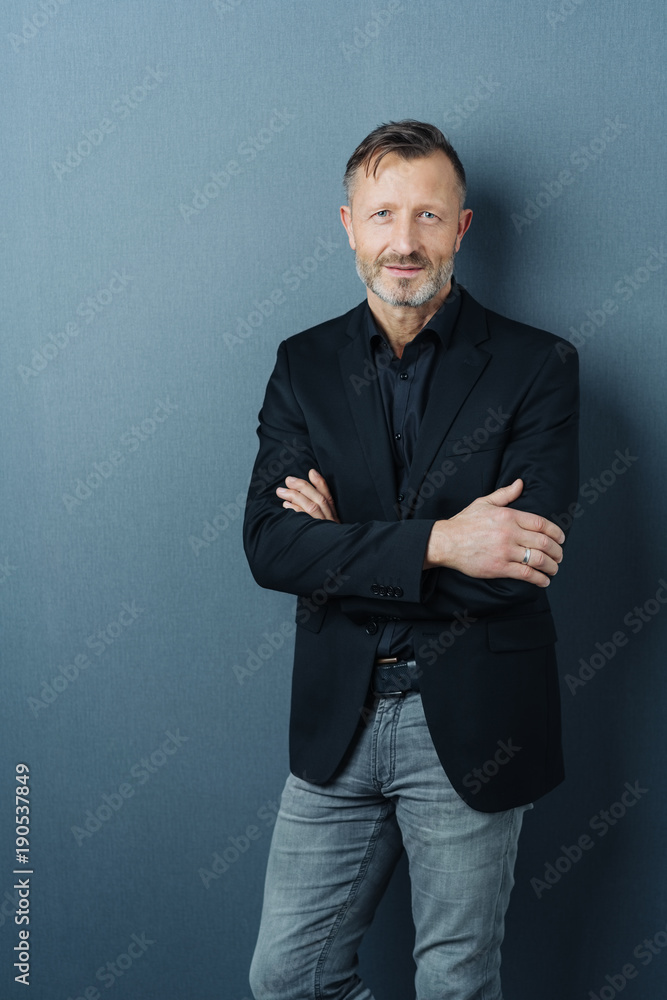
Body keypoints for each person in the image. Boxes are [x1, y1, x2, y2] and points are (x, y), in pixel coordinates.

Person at [243, 119, 579, 1000]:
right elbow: (273, 546)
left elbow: (514, 564)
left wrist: (340, 545)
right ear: (348, 224)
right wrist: (440, 539)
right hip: (336, 720)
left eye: (428, 216)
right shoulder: (302, 365)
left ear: (461, 229)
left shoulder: (537, 366)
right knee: (286, 977)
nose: (404, 241)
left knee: (455, 985)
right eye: (383, 214)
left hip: (472, 716)